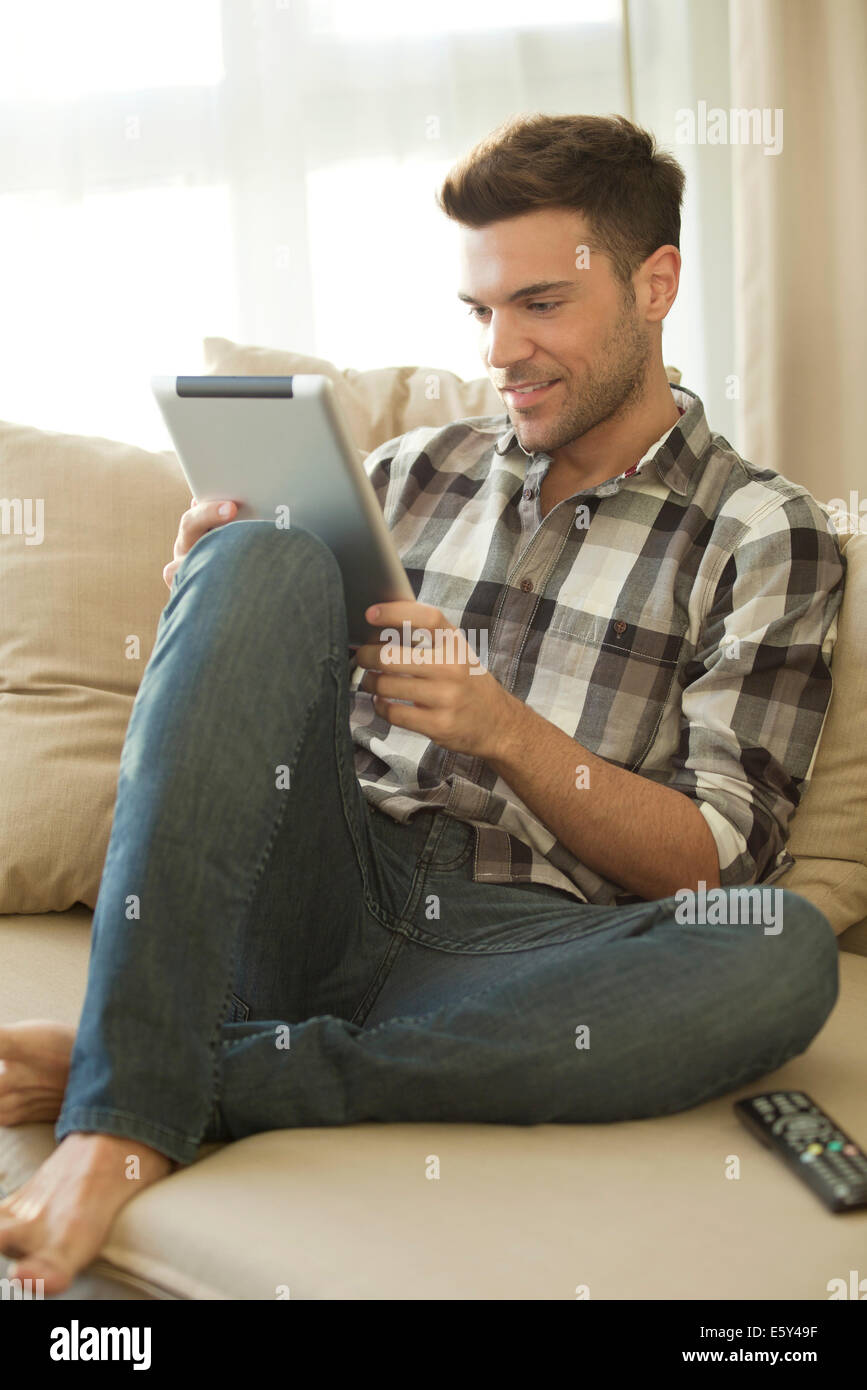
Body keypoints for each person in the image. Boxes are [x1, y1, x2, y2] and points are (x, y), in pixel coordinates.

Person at [0, 113, 846, 1295]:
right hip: (317, 890)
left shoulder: (770, 536)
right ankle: (124, 1114)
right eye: (480, 311)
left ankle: (172, 1068)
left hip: (522, 949)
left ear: (657, 285)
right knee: (258, 554)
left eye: (541, 303)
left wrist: (501, 728)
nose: (502, 349)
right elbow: (227, 755)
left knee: (784, 950)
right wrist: (210, 593)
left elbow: (714, 866)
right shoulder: (404, 472)